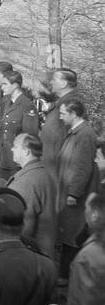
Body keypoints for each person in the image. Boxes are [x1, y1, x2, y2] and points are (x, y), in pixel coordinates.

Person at [56, 98, 100, 277]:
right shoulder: (76, 132)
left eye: (63, 113)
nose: (60, 117)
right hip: (68, 191)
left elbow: (83, 167)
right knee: (67, 234)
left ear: (73, 114)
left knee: (72, 236)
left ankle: (66, 277)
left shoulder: (84, 134)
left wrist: (74, 193)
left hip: (75, 196)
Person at [8, 133, 59, 262]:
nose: (11, 149)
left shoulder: (27, 181)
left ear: (26, 151)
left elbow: (23, 225)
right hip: (42, 253)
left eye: (15, 146)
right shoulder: (43, 173)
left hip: (29, 256)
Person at [0, 71, 38, 181]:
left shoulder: (27, 105)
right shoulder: (5, 102)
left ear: (15, 85)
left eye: (5, 84)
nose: (1, 87)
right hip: (0, 156)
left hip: (15, 160)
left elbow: (30, 135)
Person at [36, 67, 85, 167]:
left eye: (54, 79)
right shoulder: (62, 103)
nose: (50, 82)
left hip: (58, 166)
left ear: (64, 84)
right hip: (51, 162)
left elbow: (74, 140)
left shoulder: (72, 105)